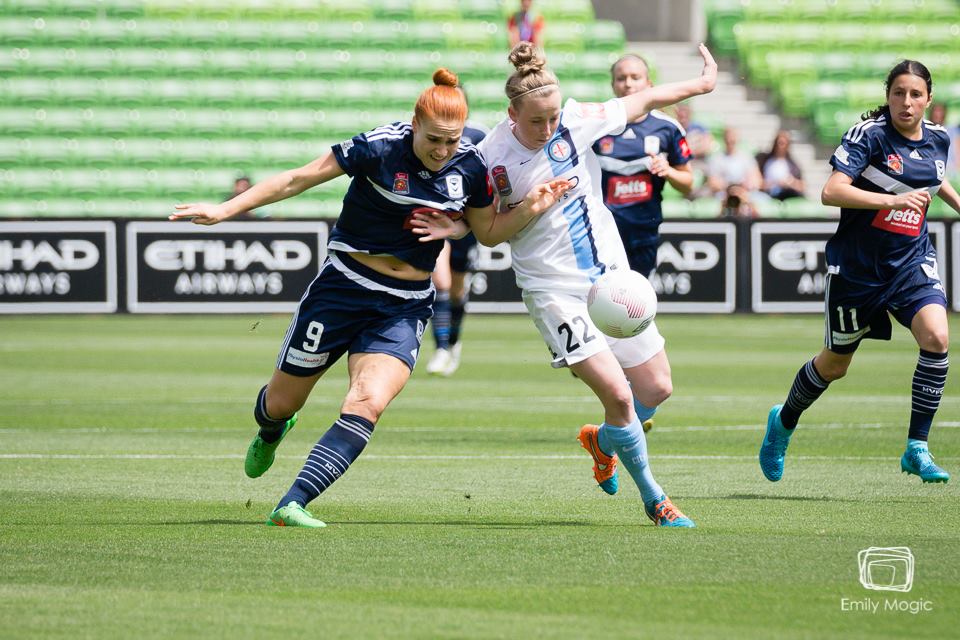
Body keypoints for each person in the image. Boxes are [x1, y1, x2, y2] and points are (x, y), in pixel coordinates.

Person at [169, 69, 568, 528]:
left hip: (404, 304)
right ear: (414, 124)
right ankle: (272, 429)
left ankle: (292, 502)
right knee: (281, 403)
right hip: (341, 289)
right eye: (434, 139)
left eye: (452, 141)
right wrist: (224, 210)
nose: (443, 152)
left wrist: (529, 207)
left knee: (367, 401)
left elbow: (489, 232)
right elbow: (298, 179)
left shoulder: (471, 165)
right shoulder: (378, 147)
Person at [418, 42, 718, 527]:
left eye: (553, 117)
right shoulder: (487, 158)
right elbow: (490, 234)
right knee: (620, 397)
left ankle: (602, 441)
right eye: (537, 120)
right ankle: (656, 500)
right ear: (512, 112)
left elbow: (640, 102)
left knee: (657, 388)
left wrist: (699, 85)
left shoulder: (576, 119)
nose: (549, 127)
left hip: (611, 280)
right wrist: (529, 207)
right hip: (552, 290)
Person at [759, 60, 960, 485]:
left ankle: (917, 448)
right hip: (857, 270)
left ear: (929, 98)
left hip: (910, 262)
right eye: (899, 93)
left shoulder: (940, 140)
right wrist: (890, 202)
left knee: (938, 337)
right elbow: (831, 191)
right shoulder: (868, 135)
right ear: (888, 96)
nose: (906, 102)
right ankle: (785, 420)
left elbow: (936, 180)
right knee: (834, 366)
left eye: (915, 94)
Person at [588, 53, 693, 433]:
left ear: (648, 83)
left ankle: (629, 406)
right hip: (600, 242)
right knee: (601, 318)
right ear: (613, 85)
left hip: (644, 237)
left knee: (631, 318)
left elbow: (690, 182)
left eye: (635, 77)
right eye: (621, 78)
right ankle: (624, 403)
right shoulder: (599, 128)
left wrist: (669, 172)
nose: (628, 84)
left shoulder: (666, 129)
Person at [425, 118, 488, 376]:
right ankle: (440, 349)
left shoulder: (478, 135)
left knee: (457, 290)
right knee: (441, 282)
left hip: (465, 219)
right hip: (436, 218)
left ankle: (453, 341)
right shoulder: (430, 135)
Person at [756, 129, 805, 201]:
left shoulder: (792, 164)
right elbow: (758, 183)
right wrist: (775, 183)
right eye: (779, 143)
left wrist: (791, 182)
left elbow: (802, 186)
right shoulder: (764, 160)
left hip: (788, 193)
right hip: (769, 194)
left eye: (784, 143)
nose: (781, 146)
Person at [928, 102, 959, 178]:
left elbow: (958, 150)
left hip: (951, 170)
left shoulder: (952, 130)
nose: (937, 114)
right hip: (932, 171)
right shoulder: (926, 129)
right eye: (935, 111)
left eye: (940, 111)